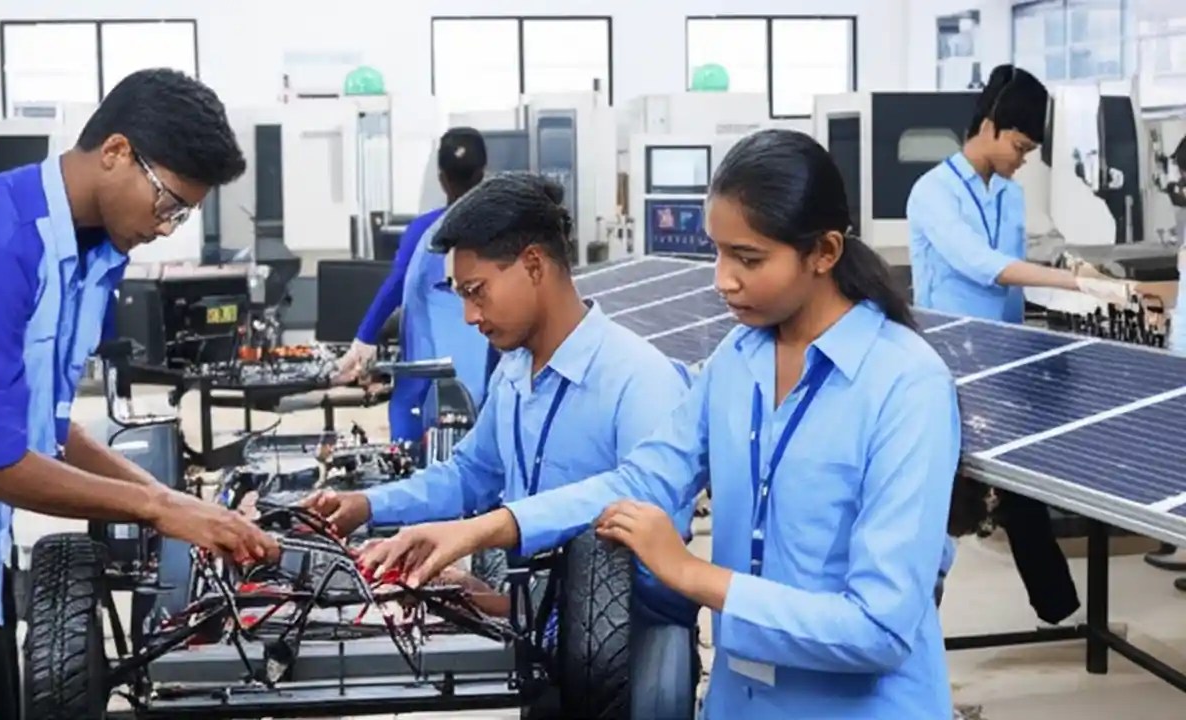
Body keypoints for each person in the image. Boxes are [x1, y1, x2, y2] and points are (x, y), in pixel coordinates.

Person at [358, 129, 963, 718]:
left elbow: (880, 627)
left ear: (824, 253)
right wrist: (480, 530)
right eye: (719, 252)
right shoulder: (737, 362)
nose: (723, 279)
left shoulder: (905, 385)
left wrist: (689, 572)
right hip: (740, 701)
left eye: (748, 258)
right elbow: (644, 478)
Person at [0, 68, 279, 719]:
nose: (167, 227)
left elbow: (42, 426)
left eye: (182, 213)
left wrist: (171, 499)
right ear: (114, 152)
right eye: (167, 204)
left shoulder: (86, 254)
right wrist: (156, 511)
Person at [305, 172, 701, 718]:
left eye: (476, 291)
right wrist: (369, 506)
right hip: (539, 656)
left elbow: (648, 530)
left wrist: (490, 536)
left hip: (627, 673)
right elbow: (469, 474)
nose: (469, 315)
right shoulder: (514, 374)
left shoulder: (641, 380)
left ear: (534, 265)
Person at [906, 63, 1132, 624]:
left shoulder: (1007, 195)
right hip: (945, 362)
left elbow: (1015, 279)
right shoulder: (932, 193)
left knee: (1022, 474)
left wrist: (1067, 279)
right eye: (1020, 145)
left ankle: (1061, 609)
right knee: (942, 499)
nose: (1021, 159)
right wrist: (1075, 282)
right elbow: (983, 266)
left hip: (1003, 359)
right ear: (988, 126)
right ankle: (913, 607)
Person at [334, 127, 493, 443]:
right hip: (487, 387)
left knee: (409, 462)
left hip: (424, 387)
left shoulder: (424, 232)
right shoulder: (502, 231)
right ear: (482, 174)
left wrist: (364, 338)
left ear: (441, 178)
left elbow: (396, 284)